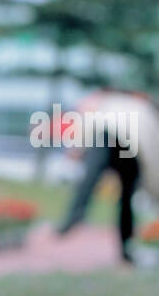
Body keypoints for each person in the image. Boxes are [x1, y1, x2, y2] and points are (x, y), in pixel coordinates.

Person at [56, 89, 159, 263]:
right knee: (125, 198)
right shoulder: (141, 107)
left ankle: (73, 219)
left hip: (114, 139)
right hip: (129, 146)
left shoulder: (110, 101)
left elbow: (89, 119)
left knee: (90, 180)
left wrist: (78, 148)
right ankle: (125, 247)